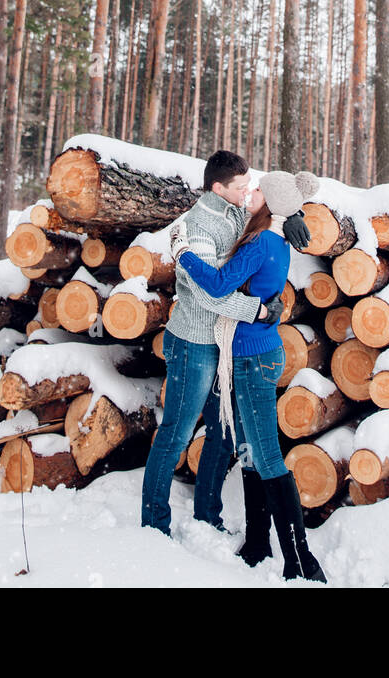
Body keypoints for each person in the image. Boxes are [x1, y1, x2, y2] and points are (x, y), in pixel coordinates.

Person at [140, 149, 309, 537]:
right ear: (218, 188)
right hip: (195, 342)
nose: (248, 189)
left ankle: (207, 516)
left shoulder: (235, 209)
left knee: (223, 431)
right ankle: (154, 523)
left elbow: (266, 209)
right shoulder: (197, 227)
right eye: (240, 185)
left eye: (249, 184)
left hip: (227, 343)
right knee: (178, 433)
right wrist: (257, 311)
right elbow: (208, 294)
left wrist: (291, 215)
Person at [173, 168, 327, 584]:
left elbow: (220, 284)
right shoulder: (271, 236)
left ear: (270, 203)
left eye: (258, 189)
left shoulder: (261, 243)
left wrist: (183, 254)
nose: (251, 191)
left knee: (268, 455)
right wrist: (292, 211)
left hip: (253, 358)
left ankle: (301, 559)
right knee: (249, 451)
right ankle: (259, 543)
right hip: (253, 354)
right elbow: (252, 221)